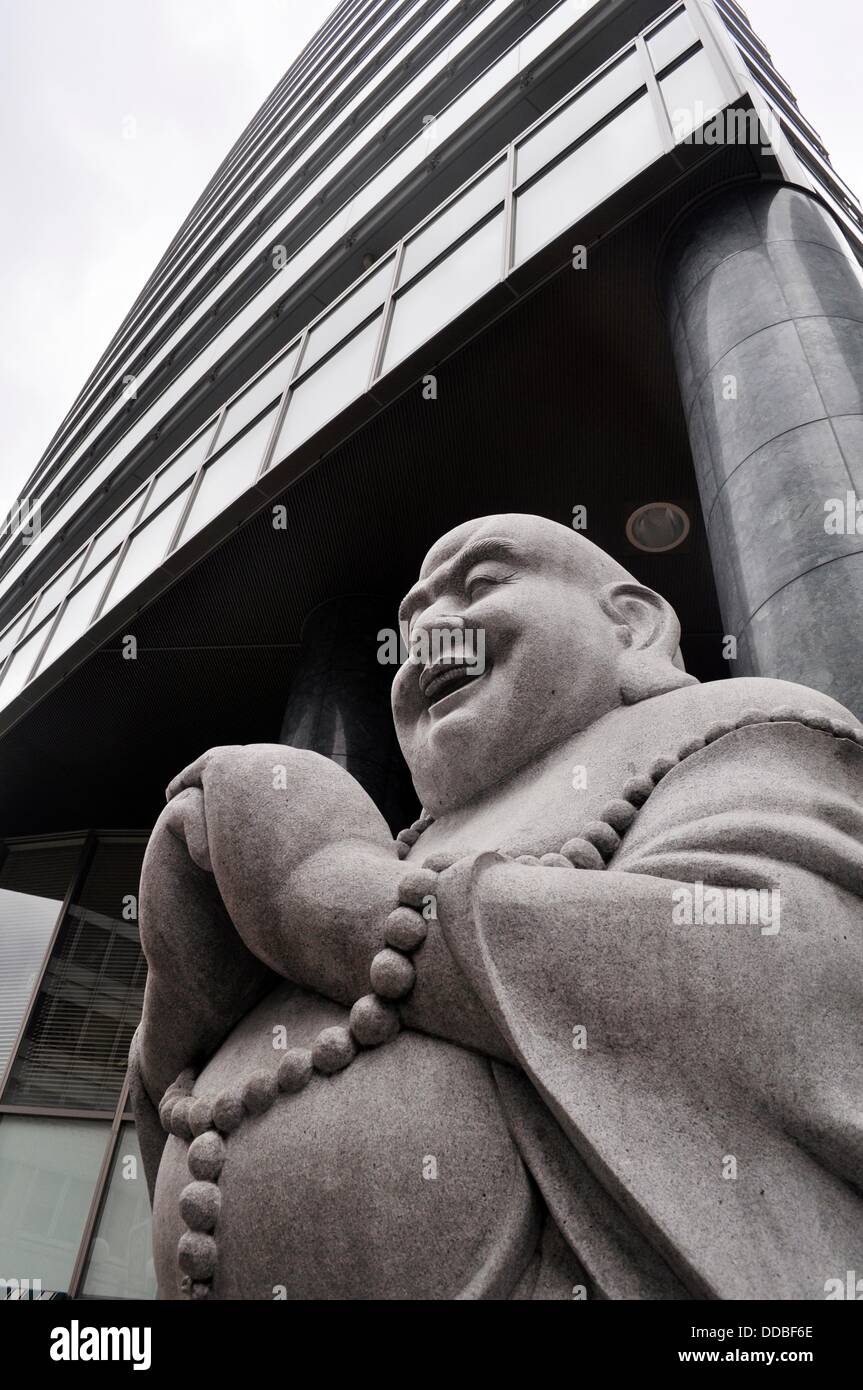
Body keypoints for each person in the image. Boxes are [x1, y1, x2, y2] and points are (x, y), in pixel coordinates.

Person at [131, 514, 863, 1299]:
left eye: (480, 586)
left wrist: (314, 890)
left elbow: (777, 982)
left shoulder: (729, 727)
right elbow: (185, 1116)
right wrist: (185, 991)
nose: (431, 636)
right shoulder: (399, 847)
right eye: (410, 628)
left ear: (631, 623)